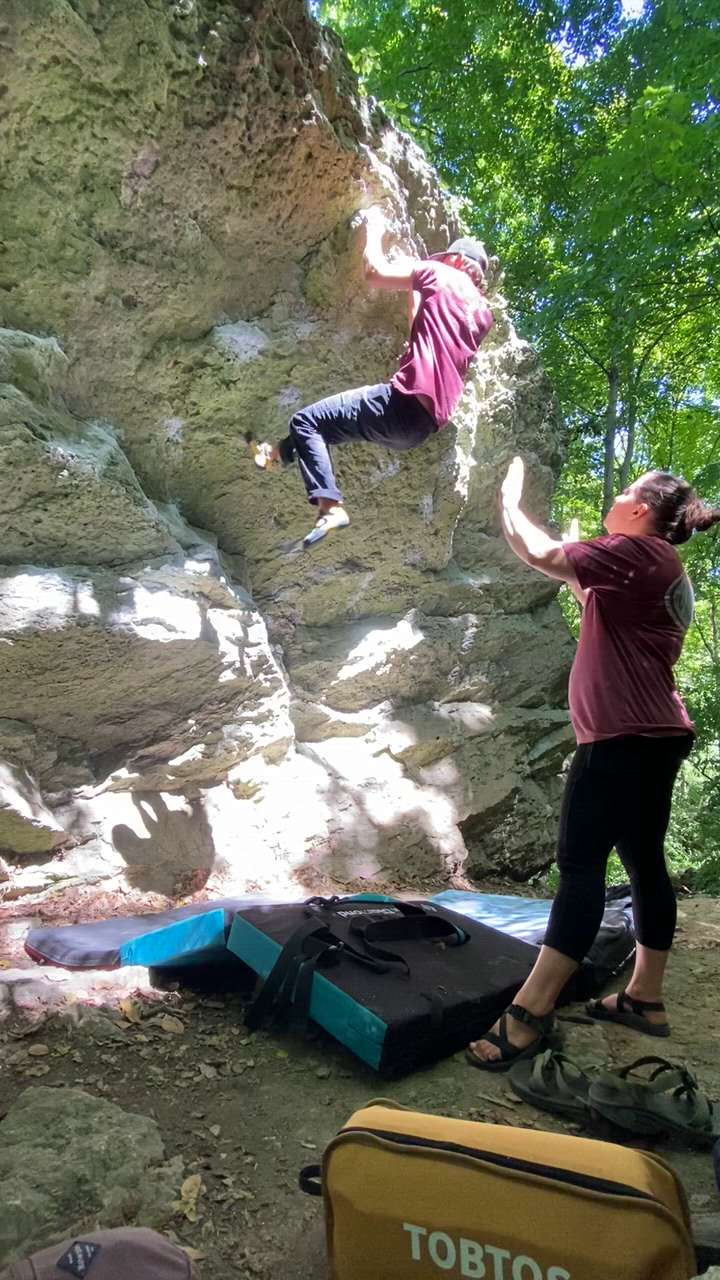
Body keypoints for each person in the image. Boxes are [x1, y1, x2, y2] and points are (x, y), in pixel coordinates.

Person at [466, 458, 720, 1071]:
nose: (618, 495)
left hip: (621, 739)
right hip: (654, 735)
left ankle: (529, 1014)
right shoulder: (656, 565)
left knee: (579, 868)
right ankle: (644, 998)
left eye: (627, 490)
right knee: (643, 862)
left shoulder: (639, 553)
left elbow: (540, 554)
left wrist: (509, 499)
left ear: (641, 509)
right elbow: (589, 595)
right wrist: (577, 564)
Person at [249, 207, 493, 546]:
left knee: (306, 422)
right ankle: (275, 454)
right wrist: (415, 291)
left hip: (400, 404)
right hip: (417, 429)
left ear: (453, 260)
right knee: (324, 428)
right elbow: (418, 327)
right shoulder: (483, 316)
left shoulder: (439, 273)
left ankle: (330, 507)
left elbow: (375, 272)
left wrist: (375, 227)